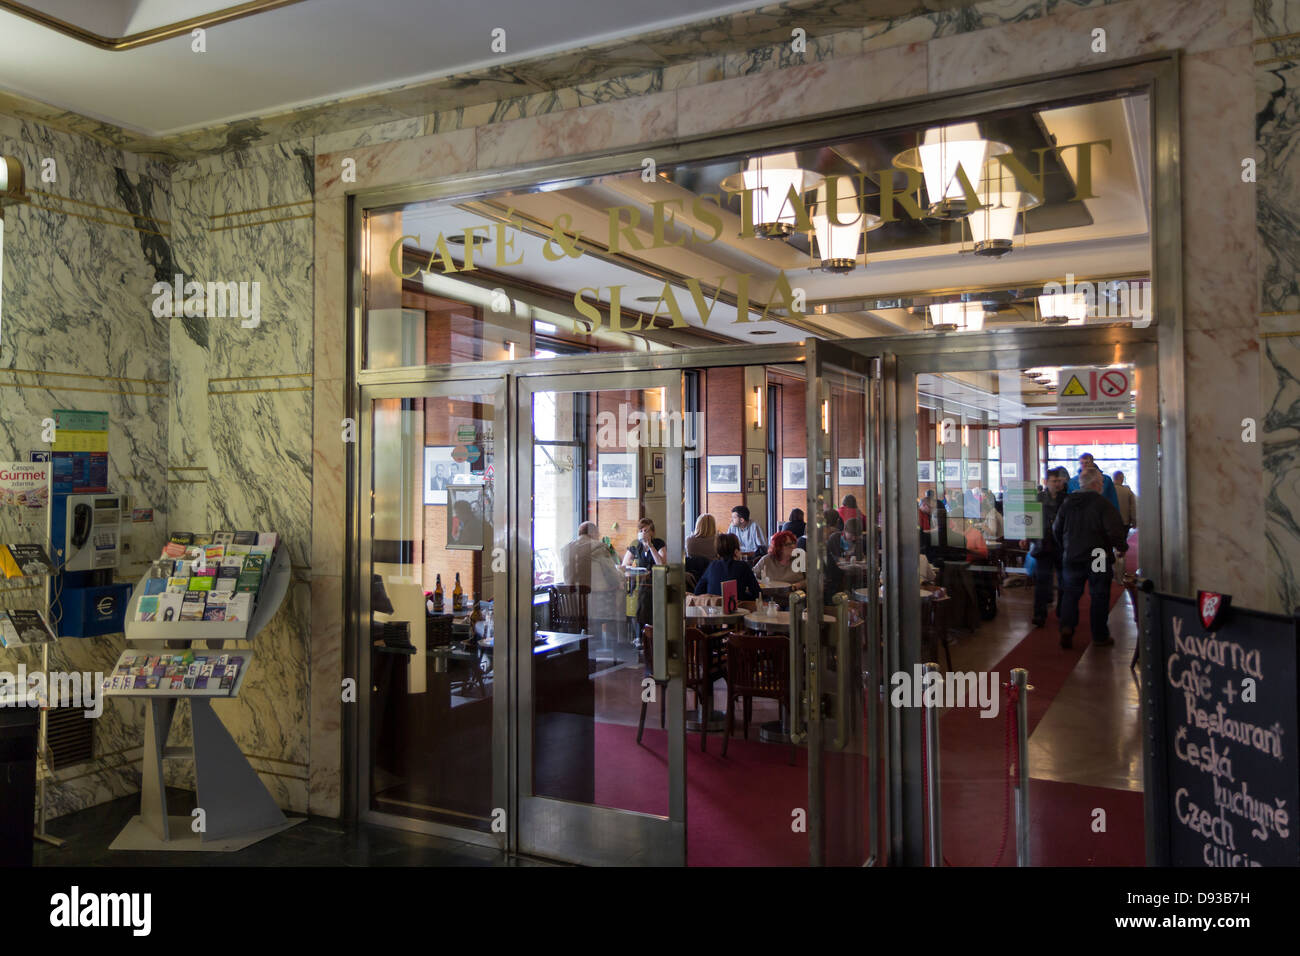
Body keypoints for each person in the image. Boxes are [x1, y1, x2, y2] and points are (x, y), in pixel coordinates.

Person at [1052, 468, 1127, 648]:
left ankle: (1067, 627)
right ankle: (1100, 635)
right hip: (1098, 554)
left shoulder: (1068, 503)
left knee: (1070, 592)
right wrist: (1121, 547)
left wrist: (1064, 548)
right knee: (1099, 594)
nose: (1102, 485)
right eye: (1101, 482)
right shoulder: (1102, 504)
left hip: (1072, 554)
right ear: (1094, 484)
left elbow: (1056, 528)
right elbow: (1114, 529)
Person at [559, 521, 623, 634]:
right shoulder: (599, 547)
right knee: (620, 596)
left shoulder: (566, 549)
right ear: (593, 533)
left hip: (571, 608)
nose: (598, 536)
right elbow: (613, 576)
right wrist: (621, 572)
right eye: (598, 534)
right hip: (595, 606)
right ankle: (615, 644)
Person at [1027, 467, 1069, 627]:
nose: (1057, 484)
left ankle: (1062, 610)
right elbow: (1030, 520)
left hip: (1062, 545)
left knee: (1064, 580)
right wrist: (1028, 537)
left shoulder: (1066, 499)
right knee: (1042, 581)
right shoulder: (1038, 499)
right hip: (1043, 544)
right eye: (1054, 481)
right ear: (1046, 482)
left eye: (1059, 481)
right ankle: (1039, 614)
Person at [622, 518, 667, 630]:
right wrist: (633, 565)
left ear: (652, 532)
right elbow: (625, 564)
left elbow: (661, 564)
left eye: (646, 530)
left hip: (655, 582)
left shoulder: (658, 543)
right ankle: (643, 631)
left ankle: (644, 631)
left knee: (644, 595)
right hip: (639, 582)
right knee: (640, 594)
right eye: (641, 531)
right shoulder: (636, 545)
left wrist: (650, 545)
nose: (643, 533)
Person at [694, 532, 760, 604]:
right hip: (736, 610)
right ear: (736, 550)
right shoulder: (743, 566)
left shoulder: (712, 566)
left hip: (713, 610)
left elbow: (697, 592)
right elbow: (757, 594)